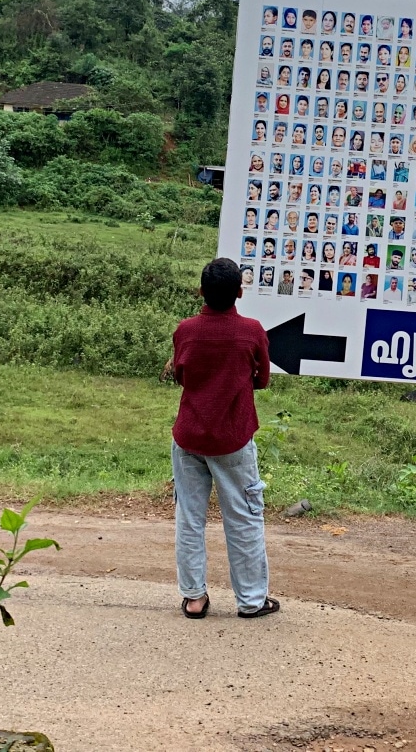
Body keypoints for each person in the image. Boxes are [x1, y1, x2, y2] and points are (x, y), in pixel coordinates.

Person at [165, 259, 280, 620]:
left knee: (189, 517)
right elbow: (262, 380)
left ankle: (194, 598)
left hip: (189, 437)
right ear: (239, 293)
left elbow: (182, 375)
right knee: (243, 518)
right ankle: (250, 601)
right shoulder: (252, 330)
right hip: (233, 440)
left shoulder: (186, 330)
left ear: (200, 291)